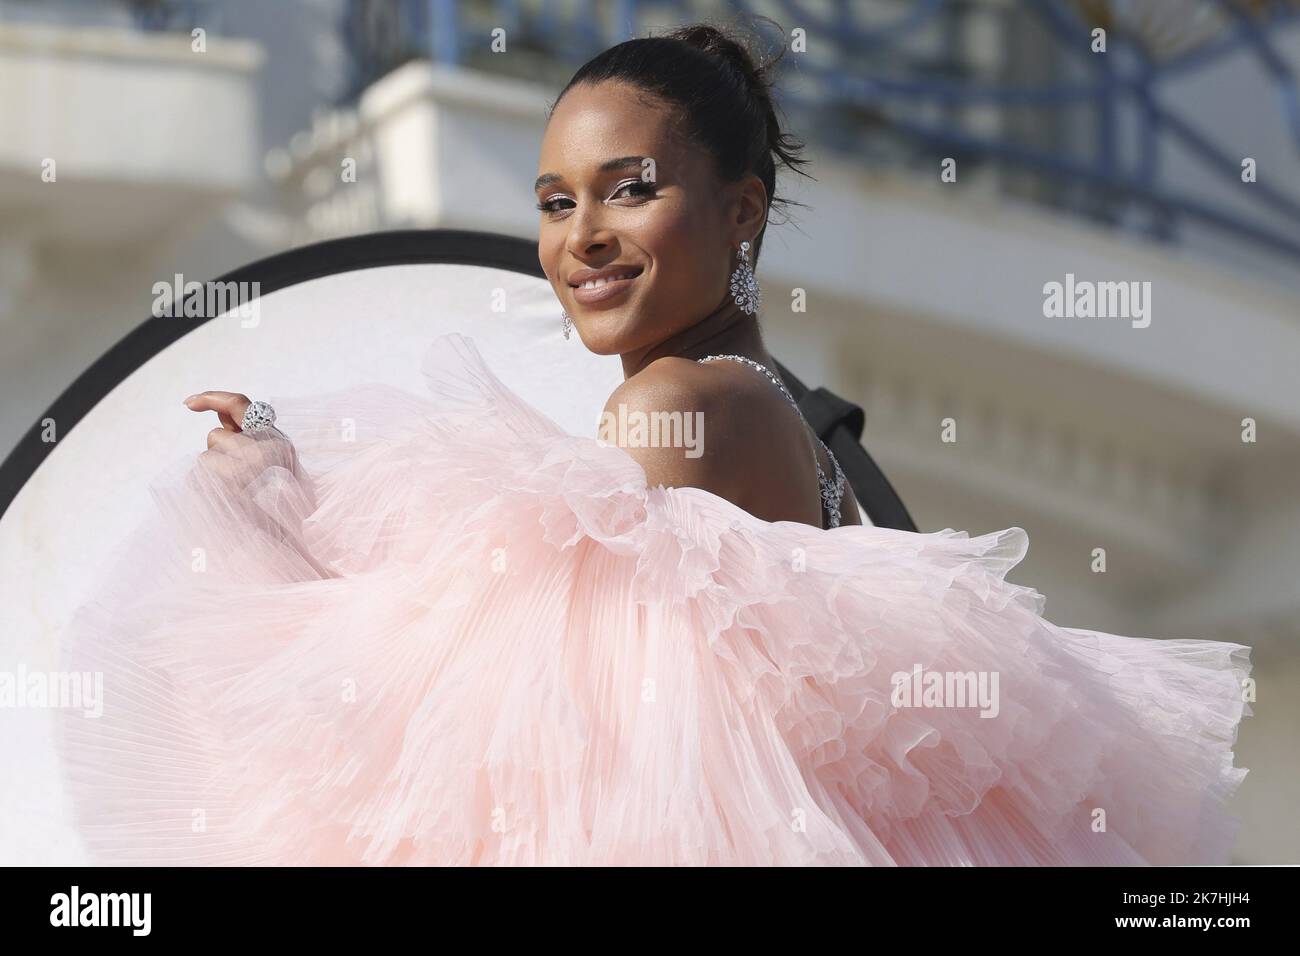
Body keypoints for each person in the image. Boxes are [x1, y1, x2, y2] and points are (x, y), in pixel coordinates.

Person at [56, 21, 1251, 866]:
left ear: (741, 211)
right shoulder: (760, 400)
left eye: (629, 189)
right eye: (555, 200)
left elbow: (448, 704)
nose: (583, 236)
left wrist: (267, 505)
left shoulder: (680, 408)